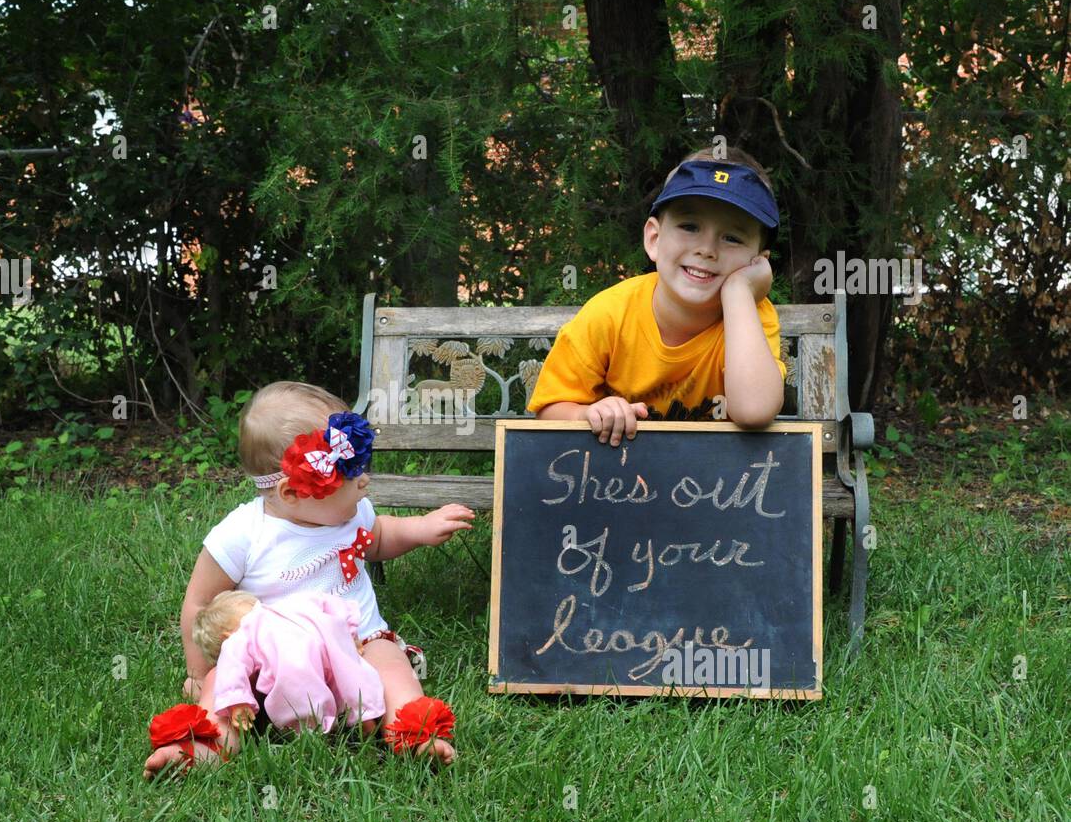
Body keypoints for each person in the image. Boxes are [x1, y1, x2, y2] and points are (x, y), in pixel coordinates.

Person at [143, 382, 470, 778]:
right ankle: (205, 746)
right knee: (223, 686)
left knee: (393, 667)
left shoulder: (352, 513)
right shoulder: (243, 534)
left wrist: (419, 528)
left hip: (358, 644)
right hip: (272, 659)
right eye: (349, 473)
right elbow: (198, 603)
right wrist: (199, 673)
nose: (364, 480)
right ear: (291, 491)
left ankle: (413, 734)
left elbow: (379, 538)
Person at [527, 147, 787, 441]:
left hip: (712, 483)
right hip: (613, 480)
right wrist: (586, 414)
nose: (707, 250)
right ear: (654, 238)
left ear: (758, 262)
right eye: (690, 226)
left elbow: (754, 410)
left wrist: (739, 293)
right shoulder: (611, 313)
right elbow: (548, 411)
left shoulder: (751, 316)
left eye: (732, 238)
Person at [193, 588, 385, 736]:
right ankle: (365, 715)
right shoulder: (293, 601)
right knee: (351, 680)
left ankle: (312, 734)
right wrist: (350, 634)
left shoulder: (240, 635)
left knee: (301, 703)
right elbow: (331, 603)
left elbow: (232, 665)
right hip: (329, 644)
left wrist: (236, 700)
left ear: (226, 637)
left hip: (293, 663)